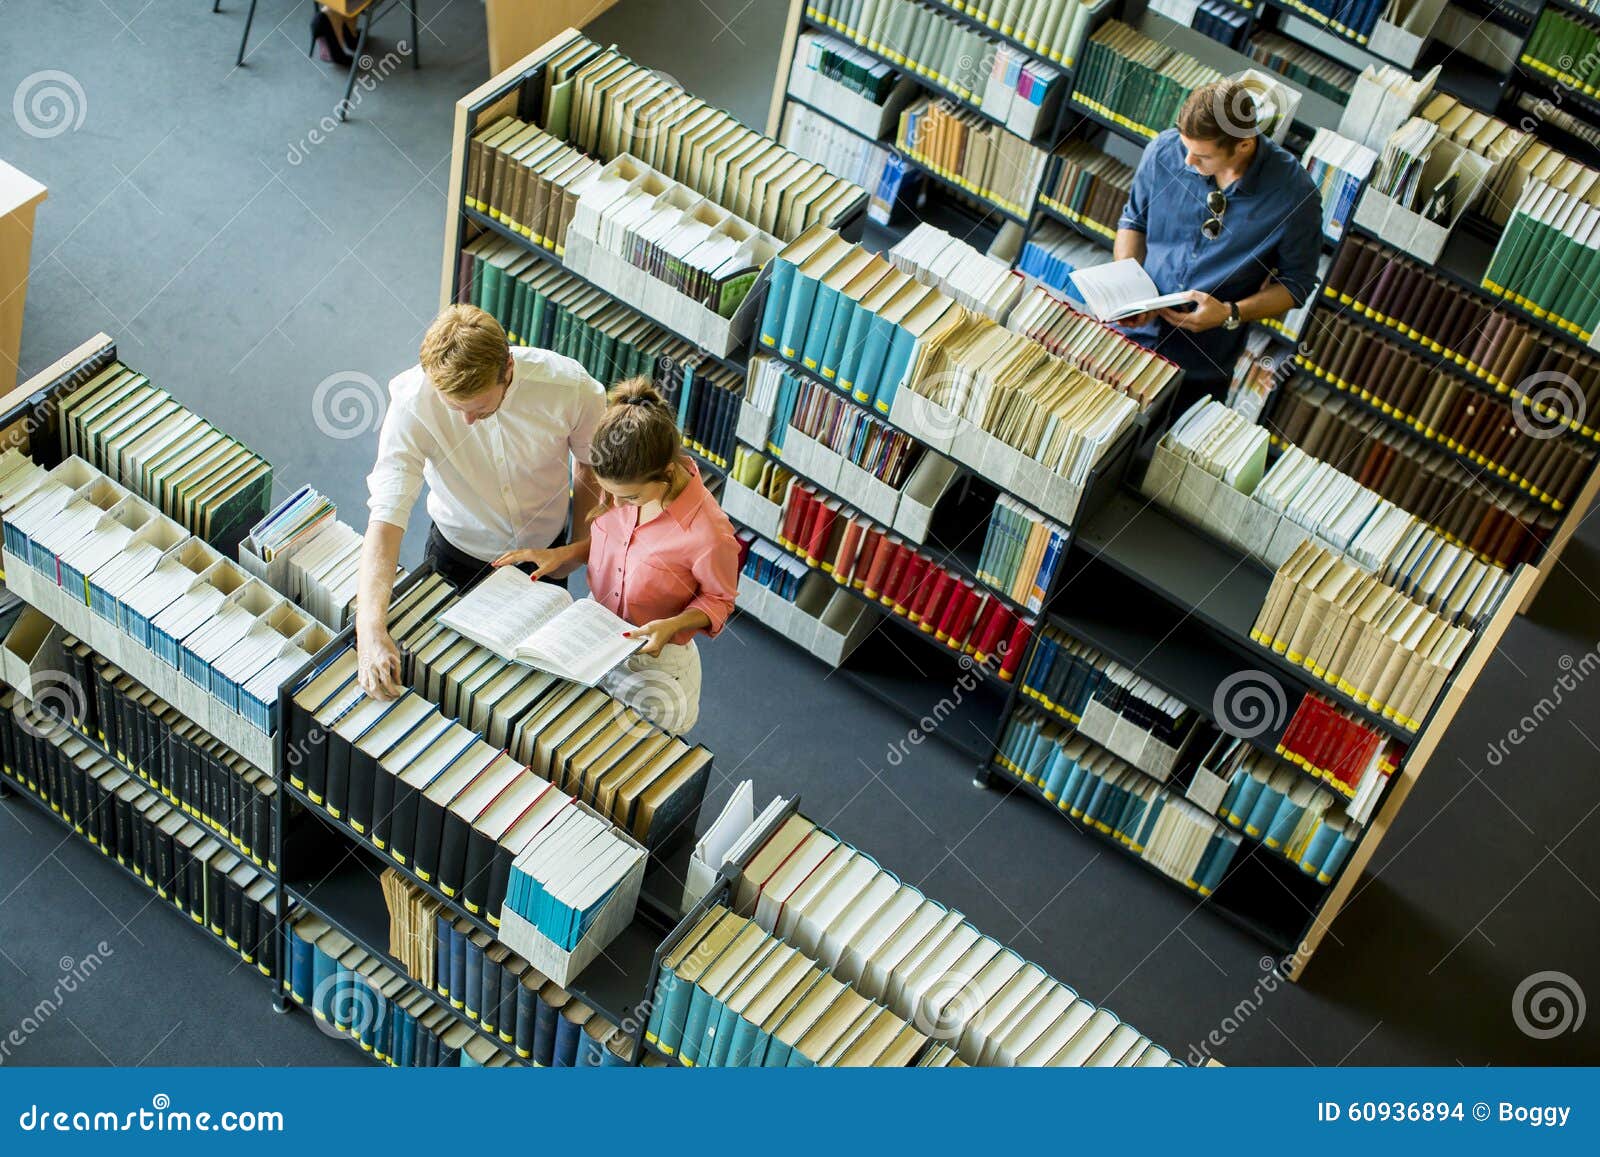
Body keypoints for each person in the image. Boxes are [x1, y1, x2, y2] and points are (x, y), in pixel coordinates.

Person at [357, 304, 604, 698]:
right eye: (457, 409)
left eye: (481, 409)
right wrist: (369, 630)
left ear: (507, 369)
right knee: (450, 686)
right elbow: (386, 519)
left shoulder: (569, 387)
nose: (468, 421)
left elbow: (590, 468)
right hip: (456, 558)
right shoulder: (412, 403)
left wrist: (578, 551)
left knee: (531, 696)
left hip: (546, 557)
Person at [492, 378, 740, 735]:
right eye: (611, 494)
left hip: (654, 665)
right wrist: (561, 554)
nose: (617, 505)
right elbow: (615, 547)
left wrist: (673, 625)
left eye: (631, 498)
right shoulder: (620, 483)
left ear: (667, 473)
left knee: (638, 768)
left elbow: (719, 599)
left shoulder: (710, 534)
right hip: (594, 638)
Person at [1115, 79, 1322, 413]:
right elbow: (1133, 223)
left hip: (1202, 365)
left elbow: (1295, 286)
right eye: (1186, 148)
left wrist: (1229, 313)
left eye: (1202, 156)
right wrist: (1127, 289)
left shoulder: (1296, 196)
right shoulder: (1164, 150)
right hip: (1128, 338)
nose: (1186, 163)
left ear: (1243, 145)